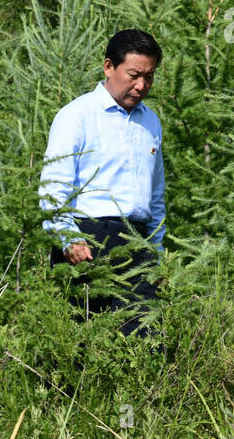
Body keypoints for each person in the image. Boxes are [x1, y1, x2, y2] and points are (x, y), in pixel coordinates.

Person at [40, 30, 166, 335]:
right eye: (134, 75)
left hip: (138, 242)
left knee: (142, 341)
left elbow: (157, 194)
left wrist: (157, 253)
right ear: (109, 66)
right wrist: (69, 239)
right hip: (89, 240)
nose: (141, 85)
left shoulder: (151, 122)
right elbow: (53, 187)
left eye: (149, 77)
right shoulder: (77, 115)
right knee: (80, 341)